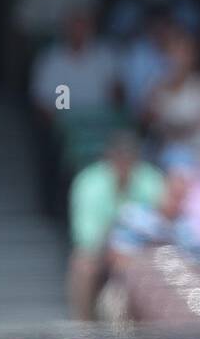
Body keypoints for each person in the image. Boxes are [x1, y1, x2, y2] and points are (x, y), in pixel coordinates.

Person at [68, 131, 165, 320]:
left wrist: (132, 255)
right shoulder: (88, 182)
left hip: (143, 251)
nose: (124, 165)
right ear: (109, 158)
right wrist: (113, 252)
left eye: (129, 159)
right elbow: (86, 238)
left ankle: (159, 331)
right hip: (102, 252)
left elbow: (160, 228)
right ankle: (83, 330)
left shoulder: (152, 180)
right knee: (82, 265)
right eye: (119, 158)